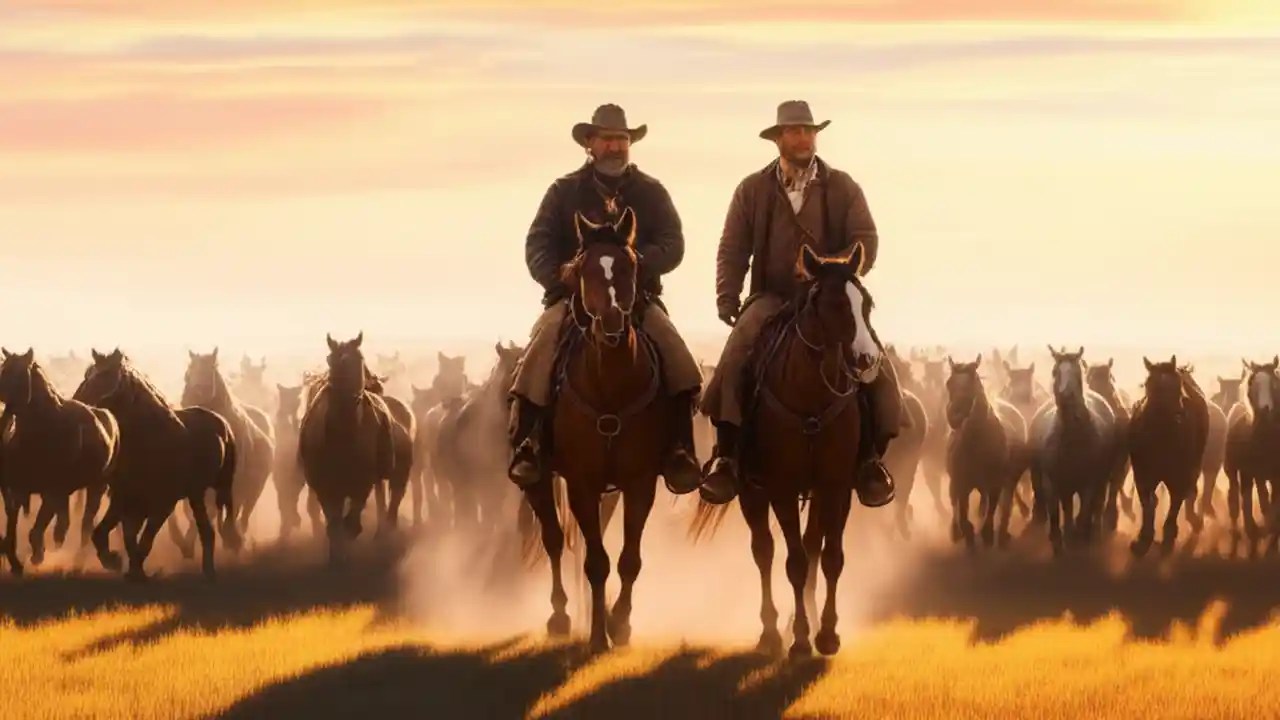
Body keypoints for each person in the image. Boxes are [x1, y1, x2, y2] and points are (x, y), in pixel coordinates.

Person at [699, 100, 904, 507]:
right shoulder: (752, 190)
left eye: (809, 131)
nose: (803, 138)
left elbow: (867, 238)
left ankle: (870, 460)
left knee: (873, 362)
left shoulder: (843, 186)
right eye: (794, 131)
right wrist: (728, 293)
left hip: (831, 295)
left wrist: (831, 268)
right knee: (736, 356)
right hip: (771, 297)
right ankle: (726, 456)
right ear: (778, 139)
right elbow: (733, 247)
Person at [507, 103, 705, 494]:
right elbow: (538, 244)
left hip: (637, 300)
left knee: (677, 357)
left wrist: (634, 263)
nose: (616, 147)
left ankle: (680, 449)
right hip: (573, 300)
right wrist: (560, 273)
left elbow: (673, 242)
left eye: (623, 140)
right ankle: (529, 443)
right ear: (590, 144)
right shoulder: (563, 191)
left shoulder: (650, 191)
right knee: (541, 348)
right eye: (609, 139)